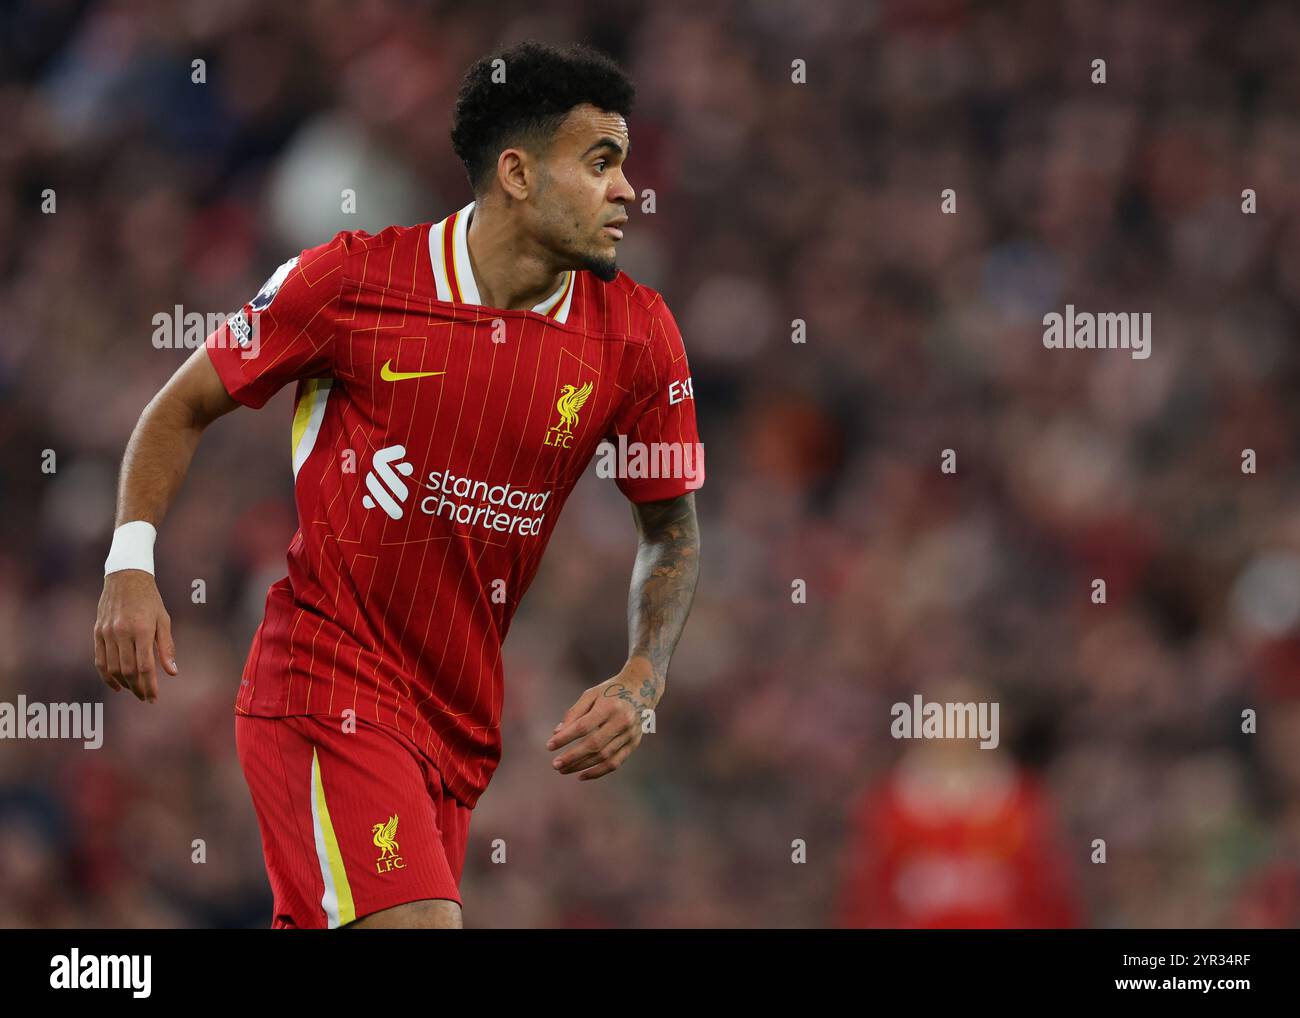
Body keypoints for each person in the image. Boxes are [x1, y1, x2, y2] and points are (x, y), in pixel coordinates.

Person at [92, 41, 704, 929]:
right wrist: (130, 563)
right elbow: (179, 407)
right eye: (601, 163)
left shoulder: (637, 337)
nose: (628, 191)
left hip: (455, 728)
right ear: (519, 173)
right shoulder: (350, 281)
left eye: (627, 165)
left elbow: (670, 530)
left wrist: (641, 679)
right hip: (324, 683)